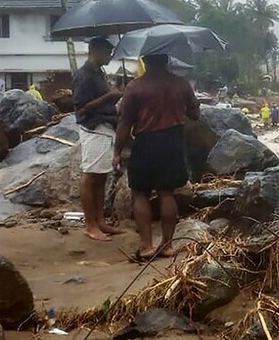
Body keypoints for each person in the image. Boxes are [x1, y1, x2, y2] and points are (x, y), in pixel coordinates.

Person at [113, 54, 200, 262]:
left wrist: (117, 152)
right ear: (167, 61)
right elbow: (195, 114)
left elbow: (125, 122)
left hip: (145, 142)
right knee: (167, 193)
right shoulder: (181, 84)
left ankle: (146, 246)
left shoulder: (135, 87)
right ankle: (168, 246)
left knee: (140, 194)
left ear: (146, 61)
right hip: (173, 143)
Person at [72, 37, 125, 242]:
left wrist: (114, 95)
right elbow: (81, 108)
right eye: (106, 52)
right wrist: (109, 96)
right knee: (90, 175)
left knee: (101, 176)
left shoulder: (99, 73)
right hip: (93, 128)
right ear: (94, 50)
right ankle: (90, 225)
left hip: (105, 127)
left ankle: (100, 220)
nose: (109, 56)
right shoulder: (84, 75)